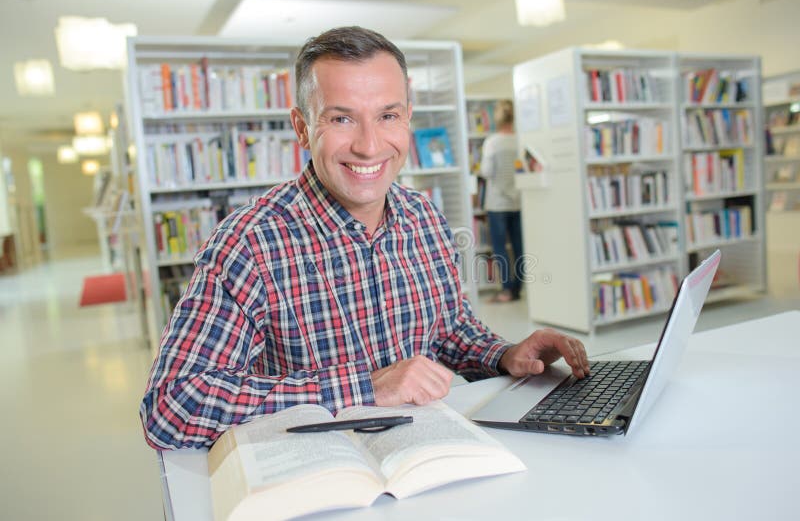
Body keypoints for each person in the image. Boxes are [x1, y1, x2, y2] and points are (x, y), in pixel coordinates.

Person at [139, 26, 589, 450]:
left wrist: (506, 354)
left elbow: (449, 330)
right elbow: (172, 406)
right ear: (301, 127)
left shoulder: (422, 216)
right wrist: (366, 387)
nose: (370, 146)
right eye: (341, 119)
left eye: (388, 115)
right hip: (325, 477)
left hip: (427, 455)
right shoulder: (247, 244)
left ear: (407, 117)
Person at [479, 99, 524, 303]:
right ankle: (517, 289)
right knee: (518, 246)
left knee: (500, 248)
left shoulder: (492, 142)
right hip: (517, 200)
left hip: (497, 203)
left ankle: (506, 290)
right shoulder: (520, 140)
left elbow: (486, 171)